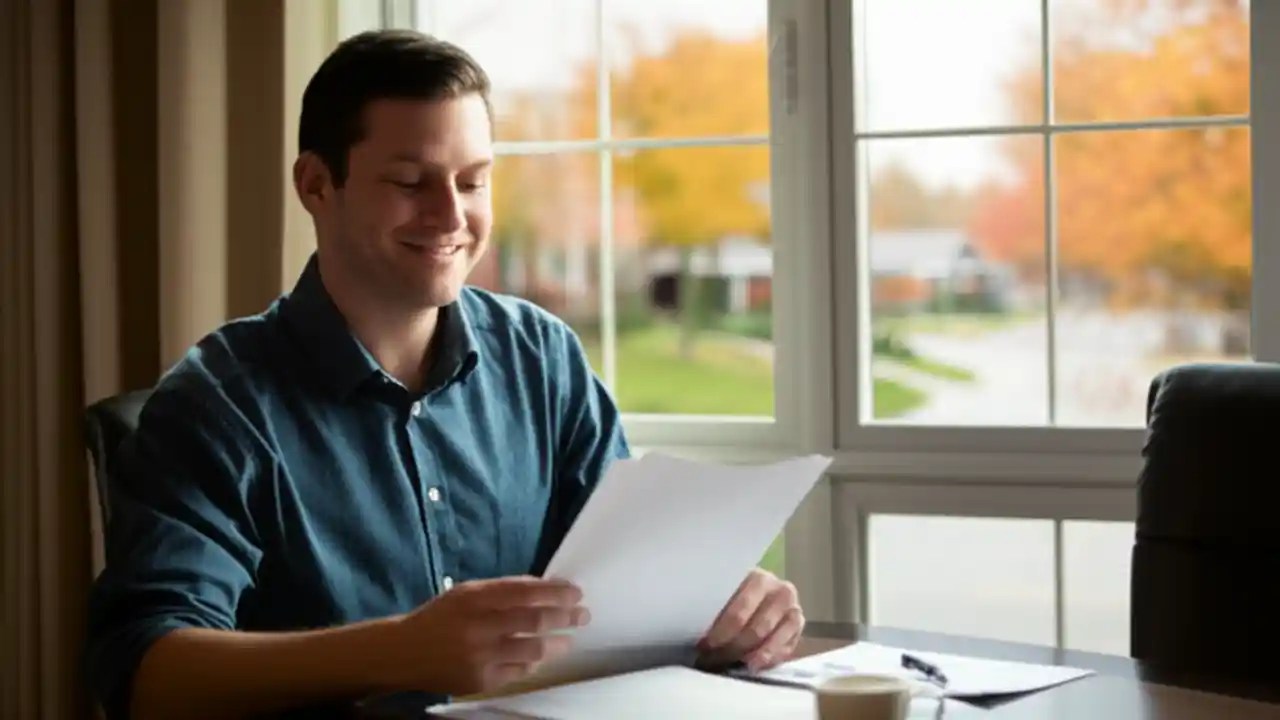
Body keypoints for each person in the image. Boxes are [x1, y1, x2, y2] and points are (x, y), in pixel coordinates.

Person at [85, 29, 805, 720]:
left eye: (472, 181)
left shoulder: (543, 359)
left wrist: (719, 603)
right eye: (409, 181)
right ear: (314, 184)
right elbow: (149, 677)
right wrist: (398, 650)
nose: (450, 215)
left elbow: (627, 591)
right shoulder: (218, 405)